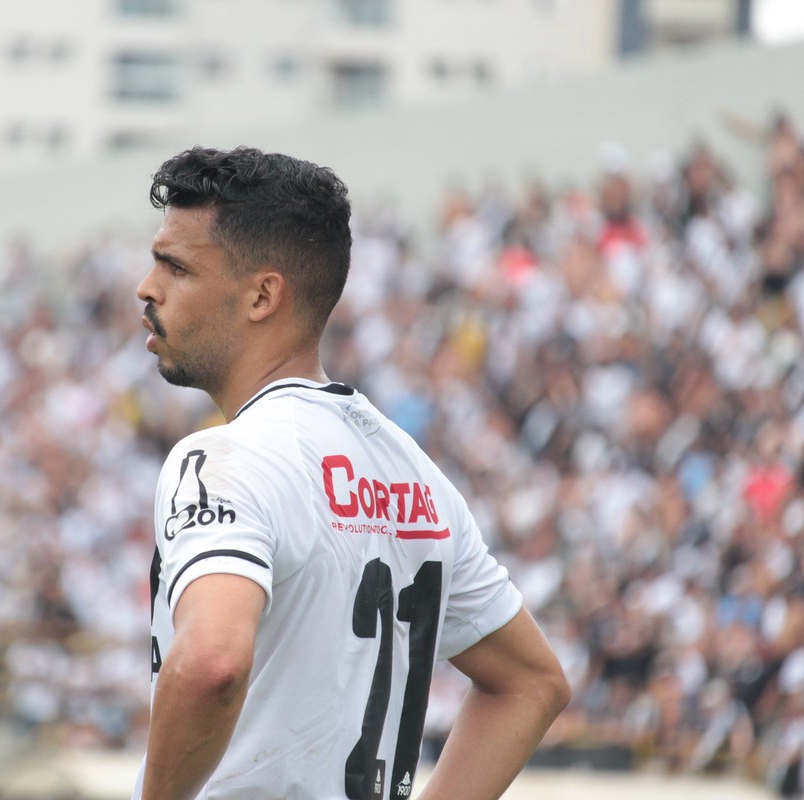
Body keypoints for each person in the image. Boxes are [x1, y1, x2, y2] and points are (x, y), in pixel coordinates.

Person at [133, 146, 569, 800]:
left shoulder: (223, 457)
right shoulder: (416, 476)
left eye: (175, 266)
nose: (147, 287)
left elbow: (211, 663)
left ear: (261, 296)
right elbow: (532, 683)